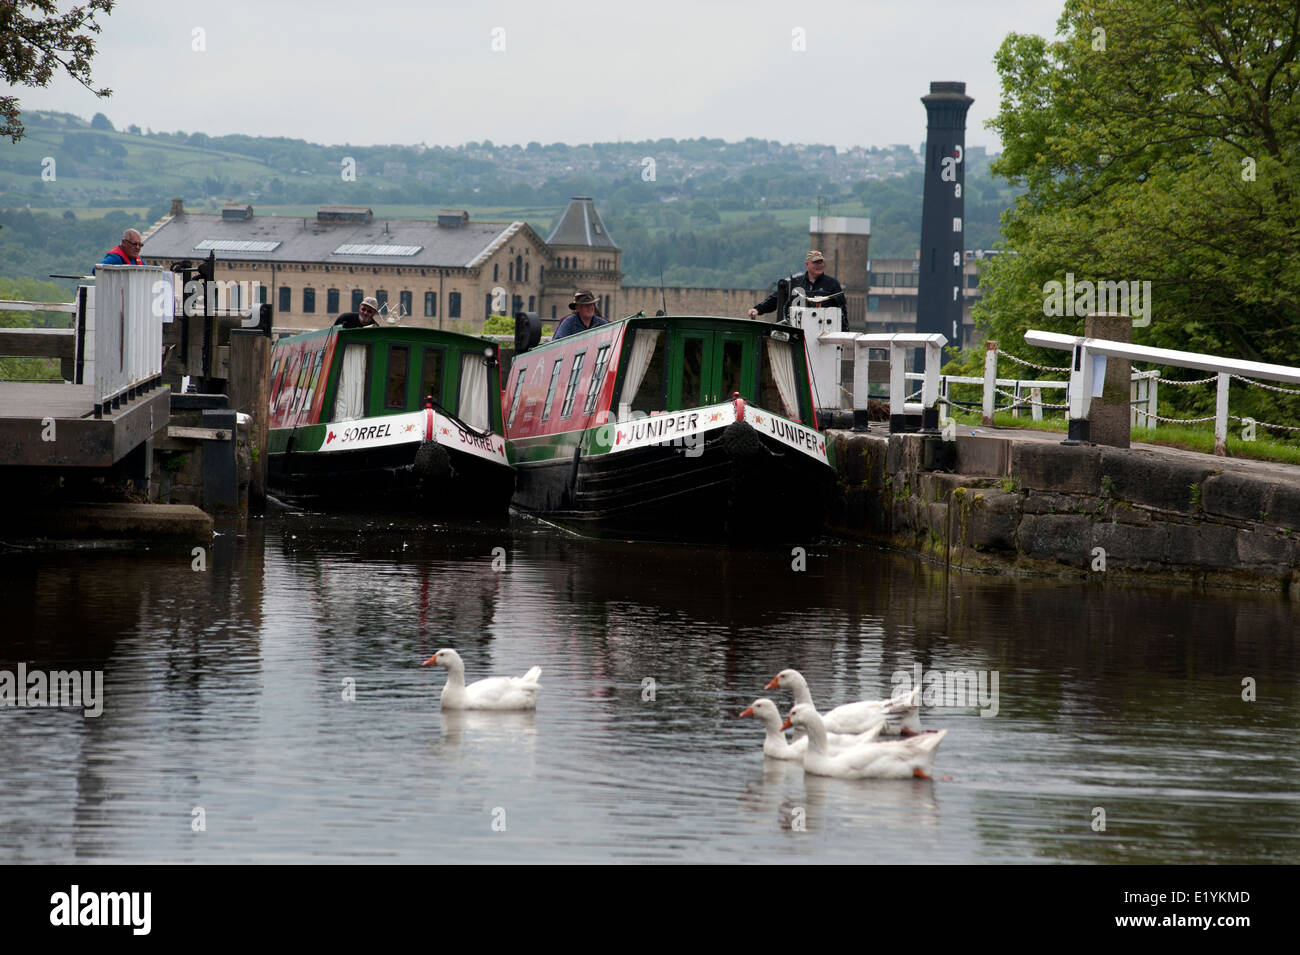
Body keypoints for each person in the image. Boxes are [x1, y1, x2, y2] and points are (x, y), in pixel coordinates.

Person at [749, 250, 846, 327]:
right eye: (815, 263)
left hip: (824, 329)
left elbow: (842, 310)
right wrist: (757, 309)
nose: (819, 265)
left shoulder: (832, 284)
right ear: (807, 264)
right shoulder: (795, 283)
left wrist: (844, 333)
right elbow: (776, 299)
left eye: (821, 262)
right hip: (798, 330)